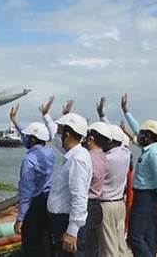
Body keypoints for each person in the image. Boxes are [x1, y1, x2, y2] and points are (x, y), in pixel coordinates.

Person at [40, 96, 92, 257]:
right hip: (61, 220)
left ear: (68, 135)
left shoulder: (78, 160)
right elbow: (56, 139)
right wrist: (46, 116)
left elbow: (79, 197)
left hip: (66, 222)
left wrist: (72, 231)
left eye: (61, 132)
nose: (58, 135)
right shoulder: (74, 153)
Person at [121, 94, 157, 257]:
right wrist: (126, 111)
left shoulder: (154, 153)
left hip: (146, 198)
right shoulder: (150, 148)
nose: (139, 135)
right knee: (148, 236)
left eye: (143, 133)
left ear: (149, 136)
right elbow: (136, 129)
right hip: (147, 198)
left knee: (135, 237)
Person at [10, 103, 55, 257]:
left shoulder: (29, 161)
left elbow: (26, 192)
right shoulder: (50, 153)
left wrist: (20, 218)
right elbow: (26, 138)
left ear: (33, 139)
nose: (25, 138)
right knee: (44, 241)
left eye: (29, 137)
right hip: (48, 201)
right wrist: (15, 122)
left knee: (30, 244)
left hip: (33, 206)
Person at [96, 97, 132, 256]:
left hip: (106, 205)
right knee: (119, 242)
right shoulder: (125, 153)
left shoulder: (107, 159)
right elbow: (114, 133)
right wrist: (102, 115)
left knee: (108, 247)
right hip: (119, 203)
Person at [81, 122, 112, 257]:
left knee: (83, 246)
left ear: (91, 139)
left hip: (86, 205)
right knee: (92, 247)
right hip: (96, 205)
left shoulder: (88, 158)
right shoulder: (104, 157)